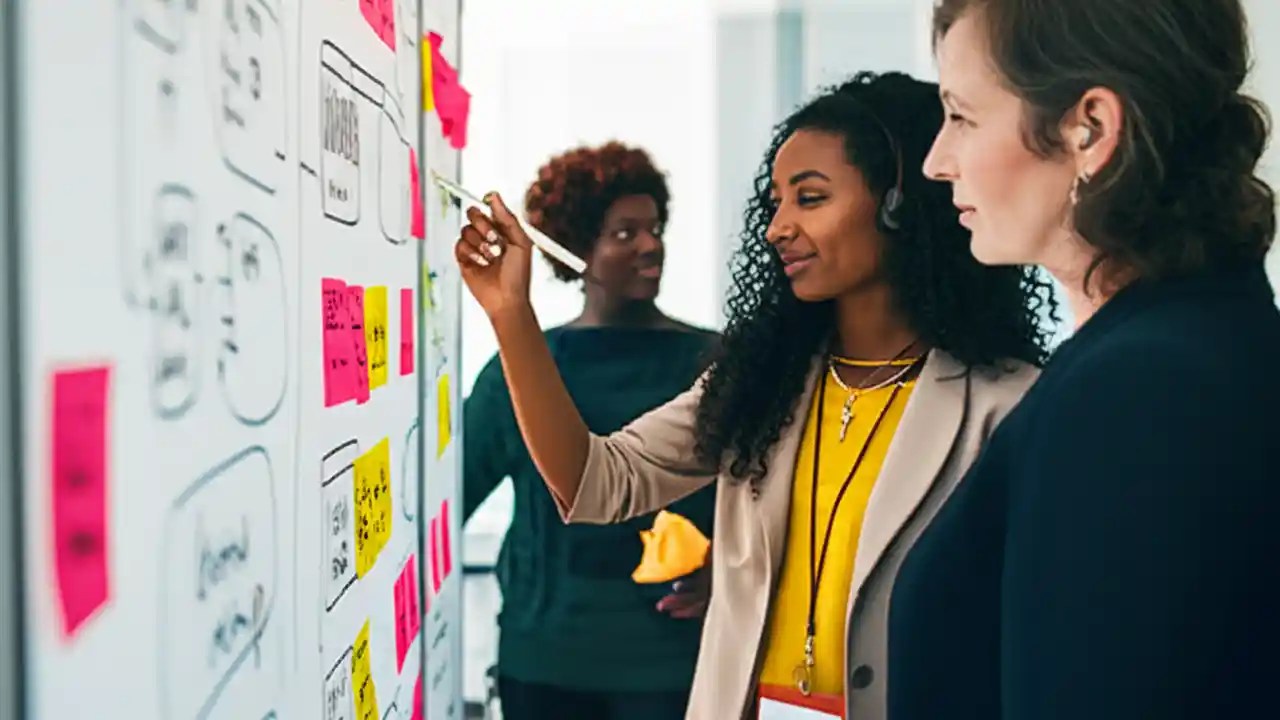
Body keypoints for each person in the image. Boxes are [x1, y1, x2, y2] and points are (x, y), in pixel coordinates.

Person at [455, 72, 1057, 719]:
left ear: (899, 205)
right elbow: (594, 482)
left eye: (810, 198)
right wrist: (509, 313)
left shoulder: (1006, 406)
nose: (778, 227)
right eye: (777, 202)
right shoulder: (762, 382)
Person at [889, 1, 1280, 717]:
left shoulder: (1139, 393)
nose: (936, 162)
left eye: (962, 116)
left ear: (1090, 129)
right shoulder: (1199, 345)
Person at [461, 141, 720, 720]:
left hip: (671, 661)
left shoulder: (715, 364)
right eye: (625, 234)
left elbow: (767, 499)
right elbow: (450, 494)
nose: (650, 245)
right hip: (546, 661)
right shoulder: (524, 369)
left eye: (655, 229)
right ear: (575, 249)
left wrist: (730, 569)